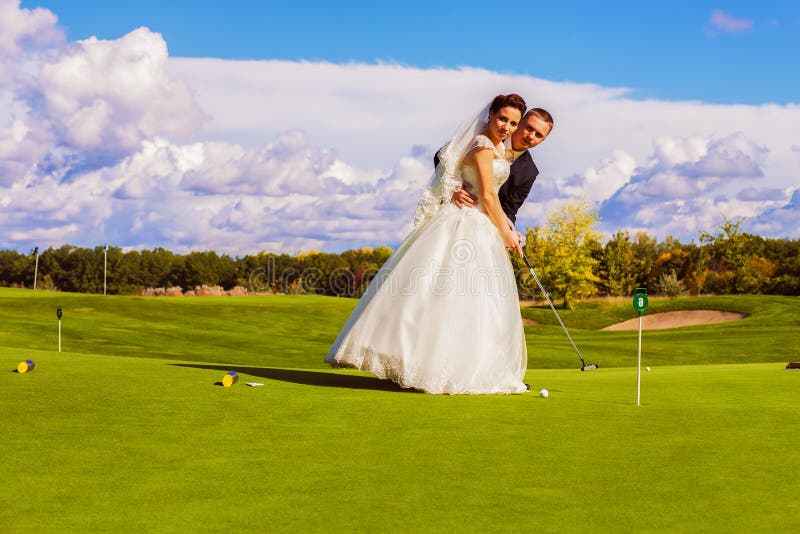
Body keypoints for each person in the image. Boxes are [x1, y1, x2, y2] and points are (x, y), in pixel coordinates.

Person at [326, 94, 532, 394]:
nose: (507, 127)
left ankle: (454, 367)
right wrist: (507, 234)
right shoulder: (482, 146)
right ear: (490, 114)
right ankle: (424, 367)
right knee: (443, 296)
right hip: (465, 225)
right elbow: (487, 196)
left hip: (481, 226)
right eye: (503, 119)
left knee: (471, 302)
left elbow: (488, 195)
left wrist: (505, 224)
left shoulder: (498, 148)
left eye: (513, 123)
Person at [438, 108, 553, 243]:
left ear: (543, 140)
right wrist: (452, 188)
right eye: (529, 128)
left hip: (481, 227)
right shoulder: (487, 136)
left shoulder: (530, 172)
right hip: (452, 212)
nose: (531, 136)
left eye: (538, 135)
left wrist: (510, 231)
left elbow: (510, 209)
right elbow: (442, 156)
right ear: (519, 122)